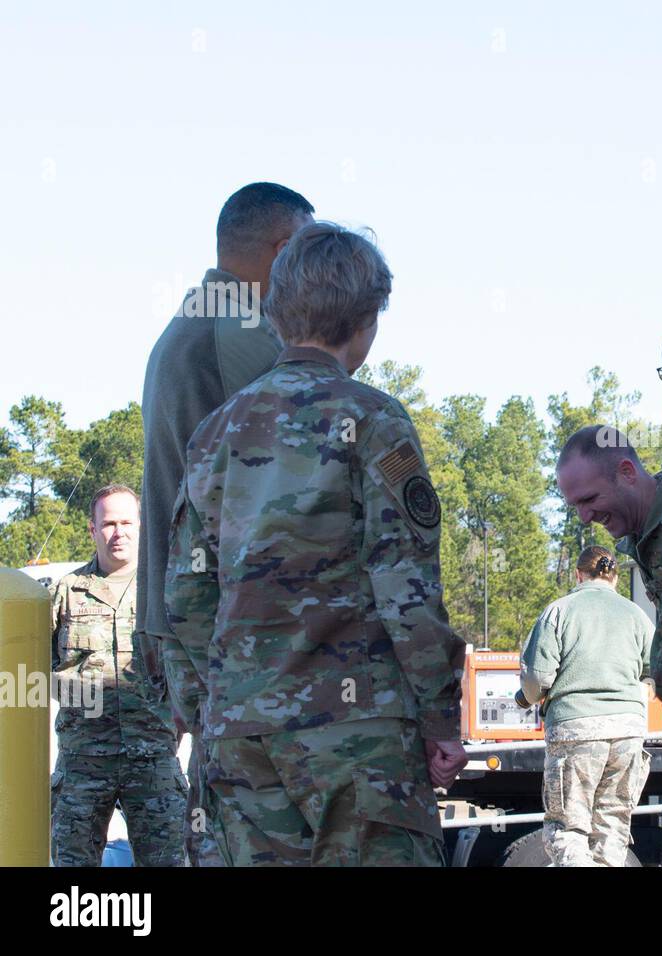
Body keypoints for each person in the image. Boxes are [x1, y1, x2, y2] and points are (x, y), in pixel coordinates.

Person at [164, 222, 466, 866]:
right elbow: (407, 592)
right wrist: (441, 719)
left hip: (243, 739)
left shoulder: (216, 433)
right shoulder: (375, 420)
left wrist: (212, 707)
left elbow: (186, 597)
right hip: (356, 738)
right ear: (367, 319)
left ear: (274, 312)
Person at [139, 181, 314, 866]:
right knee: (255, 822)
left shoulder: (197, 318)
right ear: (281, 247)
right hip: (224, 621)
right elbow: (304, 464)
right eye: (306, 247)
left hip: (187, 615)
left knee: (228, 806)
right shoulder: (242, 331)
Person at [556, 414, 662, 867]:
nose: (586, 517)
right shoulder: (641, 538)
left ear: (627, 472)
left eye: (590, 499)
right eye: (575, 507)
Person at [50, 485, 186, 867]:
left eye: (127, 522)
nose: (118, 531)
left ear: (141, 527)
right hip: (82, 764)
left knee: (171, 862)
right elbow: (33, 670)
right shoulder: (66, 593)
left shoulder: (164, 590)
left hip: (154, 759)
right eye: (108, 523)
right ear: (92, 529)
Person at [518, 545, 654, 866]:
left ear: (578, 574)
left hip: (576, 730)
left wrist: (527, 697)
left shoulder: (560, 611)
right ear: (615, 578)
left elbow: (538, 678)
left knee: (568, 828)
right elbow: (656, 669)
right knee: (613, 825)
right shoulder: (636, 614)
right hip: (628, 733)